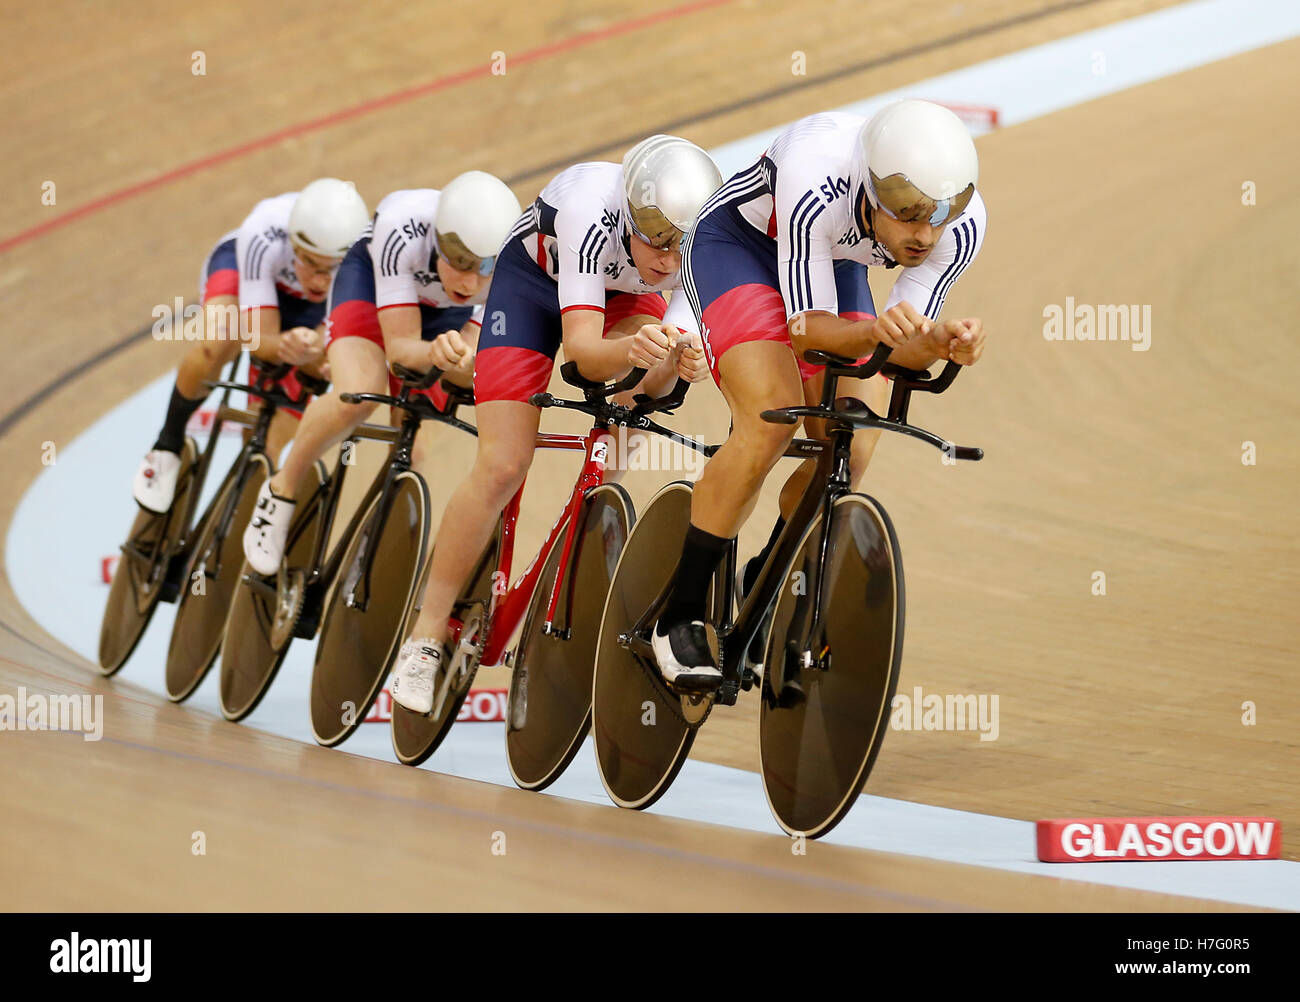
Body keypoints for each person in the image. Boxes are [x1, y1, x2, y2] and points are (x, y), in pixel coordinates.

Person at [653, 99, 990, 687]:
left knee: (851, 444)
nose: (926, 233)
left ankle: (764, 576)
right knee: (770, 419)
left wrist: (939, 340)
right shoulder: (818, 175)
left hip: (834, 257)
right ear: (871, 191)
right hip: (741, 247)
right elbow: (808, 336)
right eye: (909, 214)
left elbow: (900, 347)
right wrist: (876, 333)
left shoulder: (956, 228)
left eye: (942, 213)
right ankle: (677, 613)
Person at [389, 135, 723, 714]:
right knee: (502, 464)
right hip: (534, 288)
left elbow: (661, 388)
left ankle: (570, 568)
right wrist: (642, 349)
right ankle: (424, 634)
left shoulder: (703, 248)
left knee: (627, 429)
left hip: (619, 303)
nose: (668, 261)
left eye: (681, 247)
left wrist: (676, 360)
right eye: (656, 240)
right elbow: (586, 357)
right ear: (630, 214)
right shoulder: (590, 212)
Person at [240, 171, 522, 575]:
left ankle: (376, 536)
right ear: (437, 237)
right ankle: (281, 490)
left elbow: (474, 365)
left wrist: (461, 357)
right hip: (371, 289)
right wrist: (437, 352)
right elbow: (401, 352)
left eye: (484, 266)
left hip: (445, 318)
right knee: (359, 394)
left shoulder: (512, 270)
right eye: (458, 260)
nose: (469, 279)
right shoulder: (402, 228)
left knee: (416, 440)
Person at [132, 179, 370, 513]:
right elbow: (259, 339)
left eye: (330, 270)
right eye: (309, 263)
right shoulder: (265, 231)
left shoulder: (365, 261)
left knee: (286, 413)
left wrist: (316, 349)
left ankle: (246, 496)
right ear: (293, 243)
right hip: (245, 272)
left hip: (311, 311)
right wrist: (283, 344)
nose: (318, 280)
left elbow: (343, 337)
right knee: (220, 339)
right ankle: (166, 444)